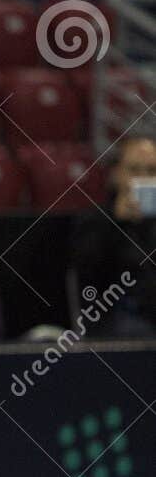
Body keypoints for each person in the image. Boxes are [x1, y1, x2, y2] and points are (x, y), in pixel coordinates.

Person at [71, 135, 156, 336]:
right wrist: (119, 223)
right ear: (117, 174)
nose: (143, 178)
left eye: (152, 171)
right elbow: (89, 278)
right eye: (134, 170)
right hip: (114, 319)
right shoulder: (95, 222)